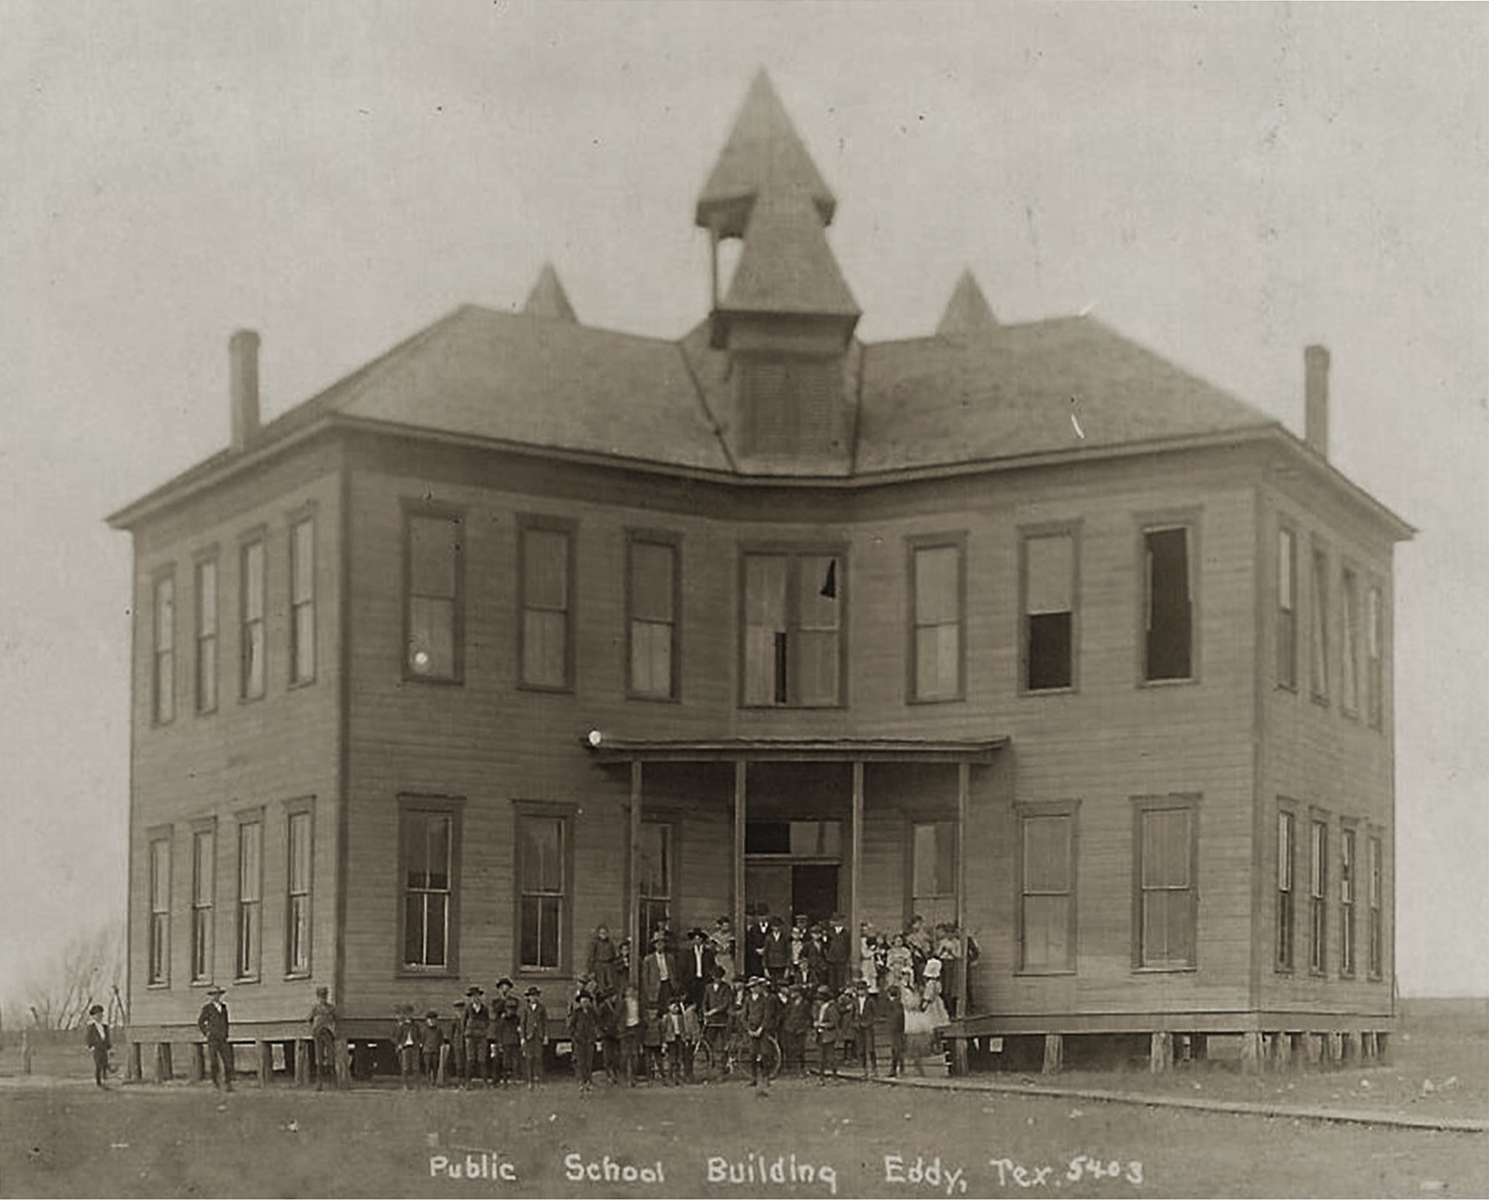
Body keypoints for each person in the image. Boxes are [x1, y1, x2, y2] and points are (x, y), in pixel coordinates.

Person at [197, 985, 233, 1092]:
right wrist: (206, 1032)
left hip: (222, 1038)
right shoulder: (207, 1008)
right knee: (214, 1061)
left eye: (218, 994)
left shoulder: (224, 1007)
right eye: (214, 994)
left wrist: (226, 1033)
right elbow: (200, 1022)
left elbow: (226, 1022)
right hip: (212, 1038)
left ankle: (228, 1083)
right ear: (211, 996)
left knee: (227, 1060)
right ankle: (215, 1083)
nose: (216, 997)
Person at [740, 978, 773, 1087]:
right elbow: (744, 1016)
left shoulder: (765, 1000)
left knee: (765, 1053)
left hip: (762, 1030)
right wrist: (748, 1029)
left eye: (757, 986)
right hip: (751, 1029)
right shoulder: (748, 1000)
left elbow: (767, 1016)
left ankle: (766, 1077)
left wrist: (761, 1029)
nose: (755, 989)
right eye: (753, 987)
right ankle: (753, 1078)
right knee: (752, 1054)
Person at [307, 986, 339, 1091]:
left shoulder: (331, 1008)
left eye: (324, 996)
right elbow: (309, 1019)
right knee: (319, 1059)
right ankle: (319, 1084)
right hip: (318, 1034)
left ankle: (334, 1083)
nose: (323, 999)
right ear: (318, 997)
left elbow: (336, 1018)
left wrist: (332, 1028)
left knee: (331, 1057)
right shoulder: (315, 1008)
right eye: (321, 996)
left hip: (328, 1034)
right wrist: (314, 1029)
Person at [566, 990, 598, 1093]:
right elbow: (571, 1026)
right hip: (579, 1041)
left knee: (589, 1061)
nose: (585, 1003)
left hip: (589, 1040)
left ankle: (588, 1081)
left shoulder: (592, 1012)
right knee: (580, 1062)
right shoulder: (577, 1012)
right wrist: (574, 1037)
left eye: (587, 1001)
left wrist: (594, 1035)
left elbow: (598, 1023)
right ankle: (581, 1082)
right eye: (583, 1001)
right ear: (580, 1002)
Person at [461, 986, 491, 1087]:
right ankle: (467, 1082)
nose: (475, 998)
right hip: (470, 1037)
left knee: (482, 1059)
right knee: (470, 1059)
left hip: (481, 1037)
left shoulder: (484, 1009)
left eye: (477, 996)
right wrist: (467, 1032)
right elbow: (463, 1022)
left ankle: (485, 1082)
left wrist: (482, 1030)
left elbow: (487, 1021)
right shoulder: (467, 1009)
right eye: (473, 996)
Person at [810, 983, 840, 1084]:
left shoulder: (831, 1007)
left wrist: (822, 1025)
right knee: (821, 1057)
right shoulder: (818, 1007)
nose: (818, 1001)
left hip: (829, 1034)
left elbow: (833, 1023)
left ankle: (834, 1076)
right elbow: (814, 1017)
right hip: (820, 1034)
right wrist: (815, 1022)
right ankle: (821, 1077)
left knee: (830, 1057)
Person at [519, 986, 548, 1088]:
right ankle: (530, 1080)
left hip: (538, 1035)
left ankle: (539, 1079)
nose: (533, 998)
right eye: (531, 996)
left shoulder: (541, 1008)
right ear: (528, 997)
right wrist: (522, 1037)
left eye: (535, 996)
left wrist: (545, 1035)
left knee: (538, 1058)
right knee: (529, 1058)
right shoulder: (525, 1008)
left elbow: (544, 1022)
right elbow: (522, 1024)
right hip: (529, 1036)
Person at [849, 979, 879, 1077]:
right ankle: (864, 1070)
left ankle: (874, 1069)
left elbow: (875, 1014)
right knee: (861, 1049)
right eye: (859, 989)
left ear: (866, 990)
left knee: (870, 1048)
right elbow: (852, 1013)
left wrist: (869, 1022)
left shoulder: (870, 1001)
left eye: (862, 989)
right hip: (858, 1027)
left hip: (868, 1026)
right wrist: (854, 1023)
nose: (861, 991)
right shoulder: (854, 1001)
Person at [679, 927, 715, 1009]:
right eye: (695, 938)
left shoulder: (708, 953)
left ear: (702, 940)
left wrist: (709, 978)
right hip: (692, 982)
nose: (697, 941)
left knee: (704, 1002)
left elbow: (711, 966)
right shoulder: (688, 953)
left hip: (704, 981)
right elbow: (683, 969)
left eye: (699, 938)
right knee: (692, 1003)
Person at [780, 982, 810, 1075]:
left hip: (801, 1028)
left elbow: (808, 1016)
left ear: (799, 993)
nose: (792, 994)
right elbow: (785, 1014)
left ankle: (802, 1067)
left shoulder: (805, 1003)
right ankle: (791, 1067)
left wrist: (805, 1027)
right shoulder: (790, 1003)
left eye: (794, 992)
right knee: (790, 1048)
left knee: (800, 1049)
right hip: (790, 1028)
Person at [494, 994, 522, 1086]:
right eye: (509, 1009)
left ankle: (514, 1079)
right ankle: (505, 1080)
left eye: (513, 1009)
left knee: (515, 1062)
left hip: (514, 1042)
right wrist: (500, 1043)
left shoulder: (516, 1019)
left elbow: (519, 1029)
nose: (511, 1011)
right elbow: (499, 1031)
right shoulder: (502, 1020)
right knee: (506, 1062)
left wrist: (520, 1040)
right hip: (506, 1042)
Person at [882, 983, 907, 1077]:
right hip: (898, 1029)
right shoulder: (898, 1004)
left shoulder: (894, 1004)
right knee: (897, 1050)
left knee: (896, 1050)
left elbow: (896, 1017)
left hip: (895, 1030)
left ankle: (896, 1070)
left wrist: (894, 1028)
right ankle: (898, 1069)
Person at [588, 926, 619, 997]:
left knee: (609, 981)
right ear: (598, 934)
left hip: (608, 963)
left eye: (605, 933)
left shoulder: (610, 943)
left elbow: (614, 954)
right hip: (599, 963)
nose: (603, 935)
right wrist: (591, 969)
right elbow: (592, 956)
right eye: (601, 933)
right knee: (600, 981)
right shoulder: (596, 943)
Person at [393, 1005, 420, 1089]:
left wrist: (418, 1044)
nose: (409, 1015)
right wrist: (399, 1044)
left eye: (411, 1013)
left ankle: (416, 1084)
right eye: (407, 1013)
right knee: (405, 1067)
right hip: (405, 1047)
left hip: (414, 1047)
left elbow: (419, 1035)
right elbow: (398, 1037)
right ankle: (405, 1084)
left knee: (415, 1067)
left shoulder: (415, 1025)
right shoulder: (402, 1026)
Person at [85, 1004, 111, 1088]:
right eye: (97, 1015)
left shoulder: (104, 1026)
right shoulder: (91, 1027)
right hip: (96, 1048)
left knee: (105, 1063)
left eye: (101, 1015)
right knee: (98, 1064)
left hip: (103, 1047)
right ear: (93, 1016)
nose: (100, 1017)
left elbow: (107, 1038)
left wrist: (109, 1047)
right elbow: (89, 1037)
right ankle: (98, 1081)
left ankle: (104, 1079)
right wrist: (90, 1046)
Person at [824, 914, 851, 993]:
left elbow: (848, 946)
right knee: (832, 978)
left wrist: (846, 957)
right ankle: (832, 992)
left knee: (841, 977)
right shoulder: (830, 932)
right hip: (831, 958)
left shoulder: (846, 933)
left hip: (842, 959)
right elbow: (826, 945)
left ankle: (840, 991)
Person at [763, 916, 791, 984]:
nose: (776, 928)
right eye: (775, 926)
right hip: (771, 964)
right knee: (771, 983)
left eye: (778, 926)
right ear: (772, 927)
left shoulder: (785, 938)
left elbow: (788, 953)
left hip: (782, 964)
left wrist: (788, 967)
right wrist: (765, 968)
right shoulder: (768, 938)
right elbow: (765, 953)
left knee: (781, 982)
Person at [421, 1010, 445, 1086]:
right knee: (427, 1067)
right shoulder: (424, 1030)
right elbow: (422, 1040)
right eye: (429, 1020)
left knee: (435, 1067)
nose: (431, 1021)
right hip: (427, 1051)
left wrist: (439, 1047)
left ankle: (434, 1081)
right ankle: (428, 1081)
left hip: (435, 1051)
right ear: (427, 1021)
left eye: (433, 1020)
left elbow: (441, 1040)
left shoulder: (438, 1030)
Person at [710, 916, 736, 982]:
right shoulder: (715, 936)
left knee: (729, 975)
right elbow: (712, 947)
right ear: (720, 926)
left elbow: (730, 947)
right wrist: (717, 948)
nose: (726, 928)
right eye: (724, 926)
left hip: (727, 958)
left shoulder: (730, 936)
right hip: (718, 958)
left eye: (727, 926)